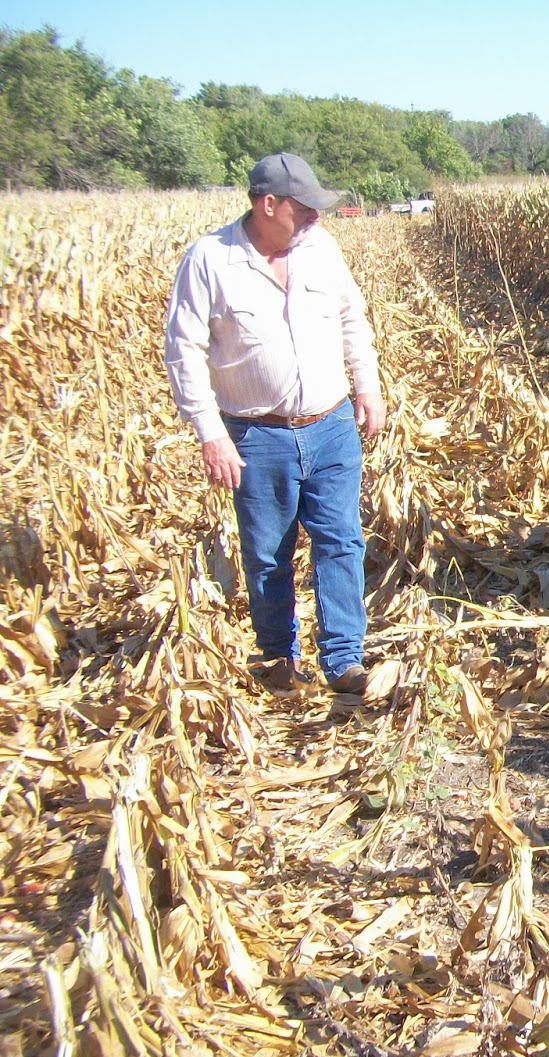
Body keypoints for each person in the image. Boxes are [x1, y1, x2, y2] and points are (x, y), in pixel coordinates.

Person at [164, 152, 385, 695]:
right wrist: (210, 432)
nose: (316, 218)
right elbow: (183, 350)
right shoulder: (210, 260)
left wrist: (368, 385)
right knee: (267, 554)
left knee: (341, 542)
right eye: (305, 209)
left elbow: (351, 317)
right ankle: (278, 658)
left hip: (330, 423)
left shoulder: (320, 249)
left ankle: (343, 660)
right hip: (255, 435)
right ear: (269, 205)